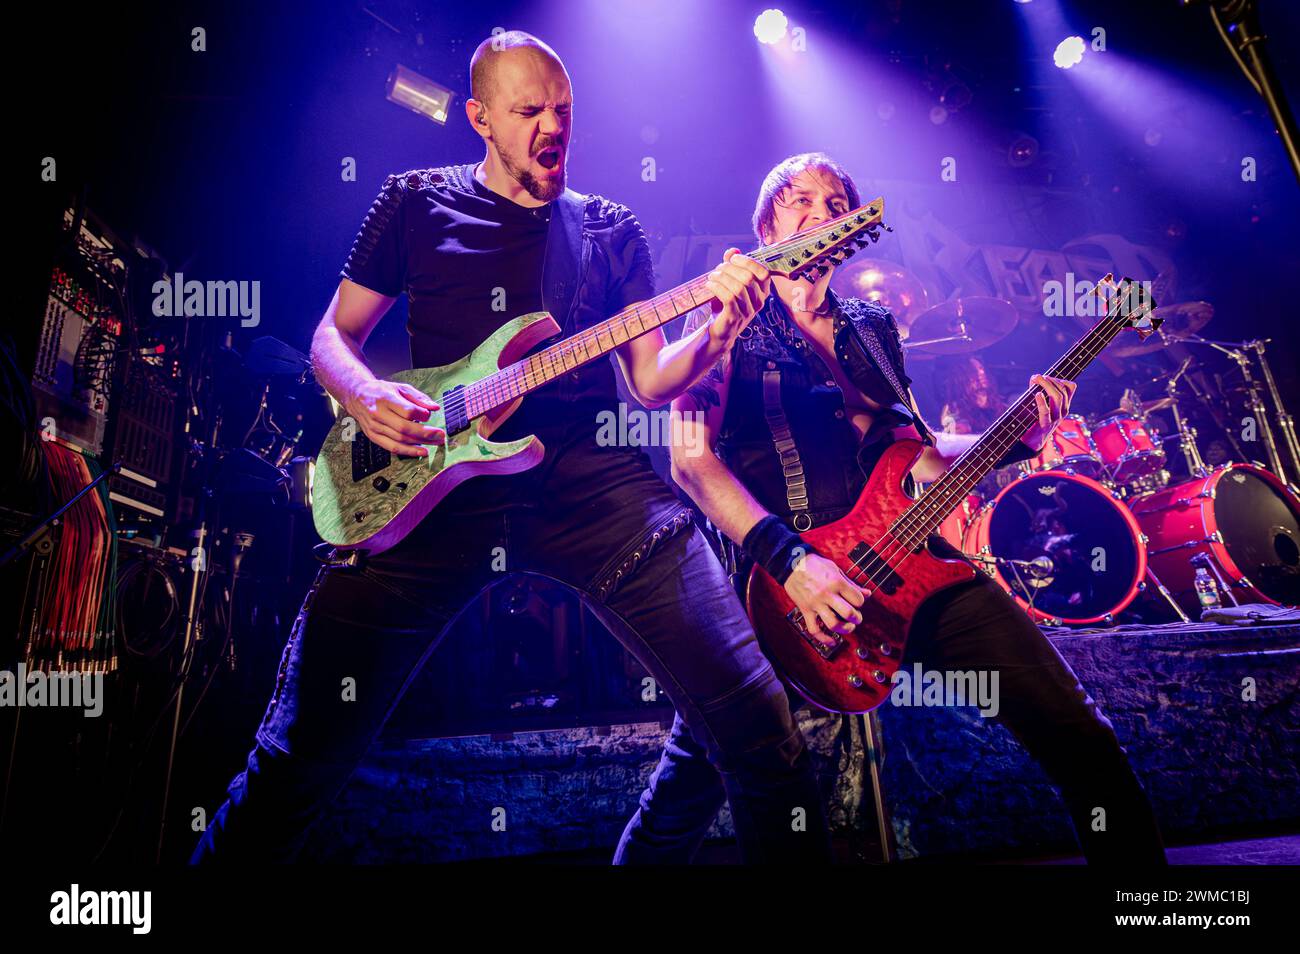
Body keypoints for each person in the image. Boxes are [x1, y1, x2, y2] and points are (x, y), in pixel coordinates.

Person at [192, 34, 831, 864]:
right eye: (528, 112)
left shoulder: (608, 228)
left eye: (563, 111)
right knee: (299, 757)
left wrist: (721, 326)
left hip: (586, 487)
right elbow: (331, 336)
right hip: (429, 489)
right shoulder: (415, 201)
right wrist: (363, 393)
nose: (551, 127)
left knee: (758, 722)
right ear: (480, 117)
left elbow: (650, 382)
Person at [616, 152, 1167, 865]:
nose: (819, 214)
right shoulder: (724, 322)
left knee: (1079, 734)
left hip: (912, 564)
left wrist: (1014, 436)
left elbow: (921, 458)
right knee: (688, 790)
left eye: (834, 202)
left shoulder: (872, 325)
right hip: (780, 590)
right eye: (798, 202)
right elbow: (691, 464)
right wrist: (793, 562)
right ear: (764, 226)